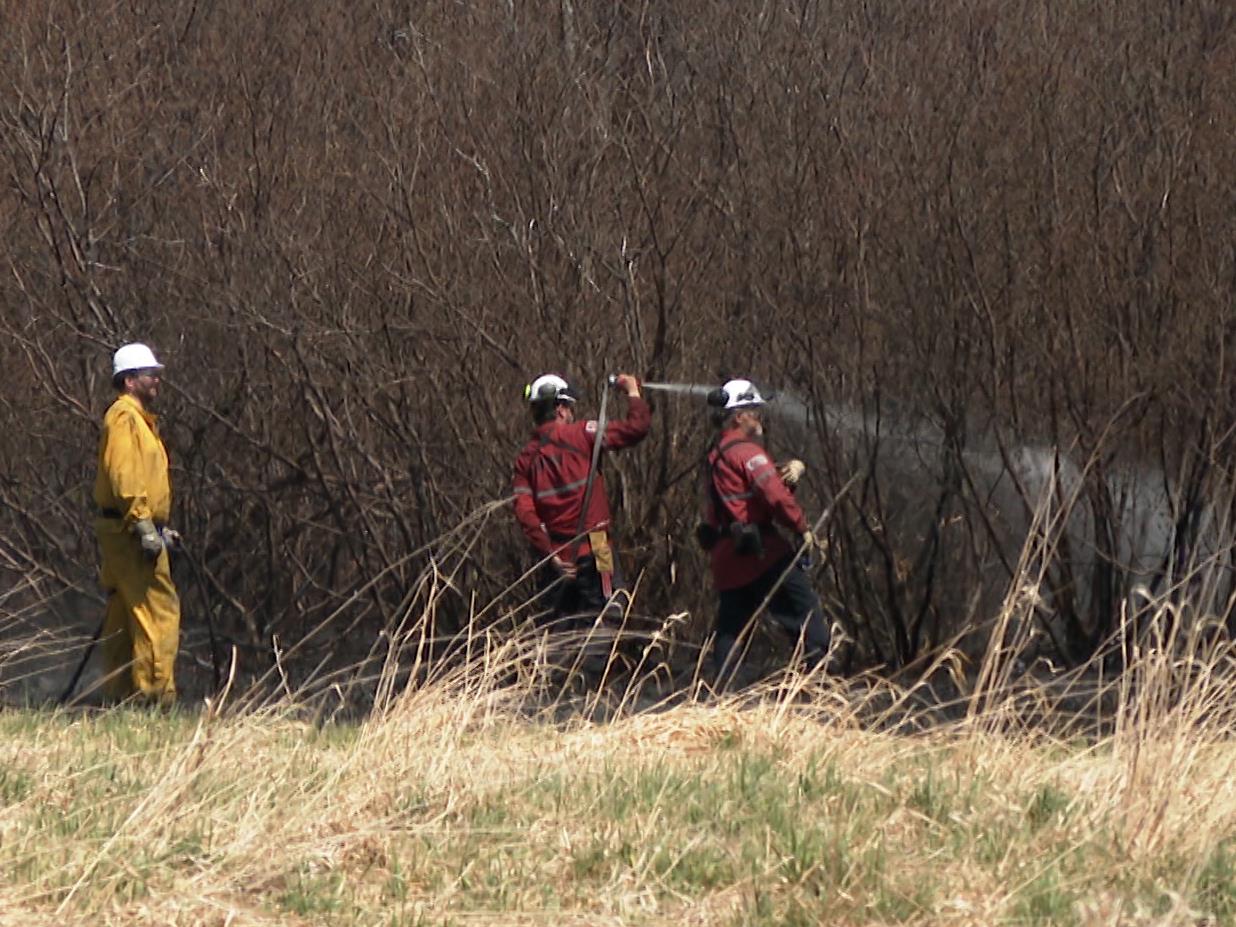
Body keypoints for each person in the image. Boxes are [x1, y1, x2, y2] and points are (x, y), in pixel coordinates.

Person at [698, 378, 831, 680]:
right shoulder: (747, 452)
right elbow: (774, 498)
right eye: (754, 410)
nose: (759, 416)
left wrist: (783, 474)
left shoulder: (718, 453)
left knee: (732, 630)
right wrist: (802, 527)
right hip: (761, 555)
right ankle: (817, 685)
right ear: (739, 416)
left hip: (728, 557)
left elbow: (742, 495)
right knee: (807, 616)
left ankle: (723, 693)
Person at [511, 372, 649, 627]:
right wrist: (632, 391)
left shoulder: (525, 459)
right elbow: (636, 428)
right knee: (610, 613)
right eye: (569, 407)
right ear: (560, 409)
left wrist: (550, 554)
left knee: (562, 630)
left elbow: (525, 514)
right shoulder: (583, 434)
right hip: (599, 545)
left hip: (556, 558)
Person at [92, 343, 182, 705]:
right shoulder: (124, 418)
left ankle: (120, 695)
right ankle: (155, 696)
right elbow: (125, 475)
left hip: (127, 528)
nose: (157, 380)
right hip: (130, 532)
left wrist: (157, 525)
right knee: (157, 609)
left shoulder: (137, 420)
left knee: (123, 612)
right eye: (150, 374)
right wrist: (144, 525)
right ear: (130, 381)